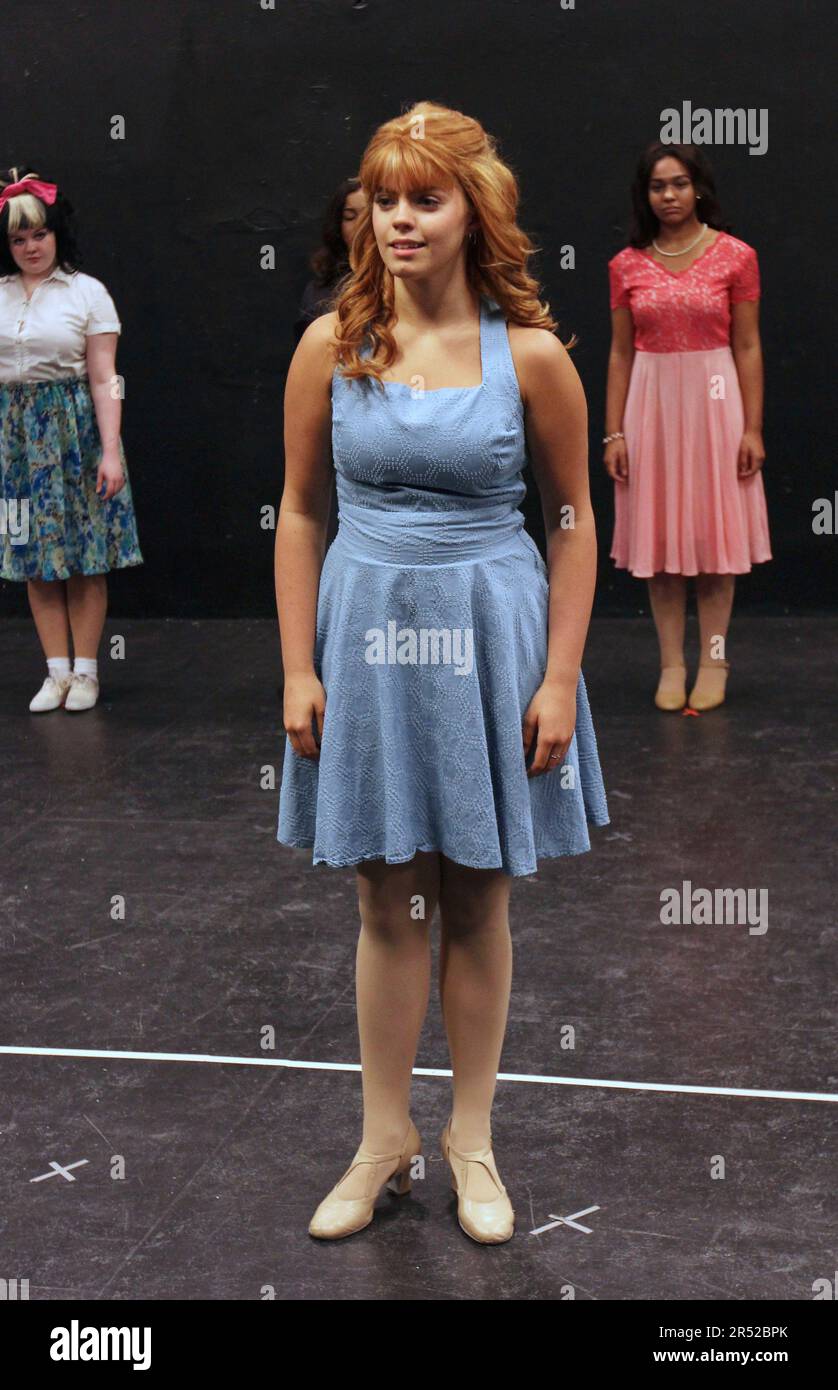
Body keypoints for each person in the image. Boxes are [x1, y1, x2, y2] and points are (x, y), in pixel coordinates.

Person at [275, 102, 609, 1244]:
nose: (400, 220)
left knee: (475, 894)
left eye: (426, 198)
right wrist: (296, 667)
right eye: (384, 199)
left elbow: (572, 521)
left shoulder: (533, 357)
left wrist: (559, 676)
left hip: (490, 638)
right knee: (384, 898)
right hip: (365, 639)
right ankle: (384, 1137)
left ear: (478, 211)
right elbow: (300, 512)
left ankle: (471, 1138)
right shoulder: (330, 345)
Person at [605, 143, 771, 711]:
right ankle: (672, 664)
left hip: (716, 406)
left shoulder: (736, 257)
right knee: (660, 544)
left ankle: (714, 660)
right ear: (645, 194)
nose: (669, 195)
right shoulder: (626, 265)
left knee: (716, 544)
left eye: (678, 183)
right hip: (650, 408)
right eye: (658, 186)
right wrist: (614, 432)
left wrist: (752, 428)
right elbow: (620, 354)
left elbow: (747, 346)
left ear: (698, 187)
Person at [0, 167, 143, 712]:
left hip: (74, 436)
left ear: (57, 233)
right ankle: (55, 672)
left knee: (86, 553)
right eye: (19, 239)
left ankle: (86, 673)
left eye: (40, 234)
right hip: (15, 442)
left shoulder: (88, 294)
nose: (31, 247)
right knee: (30, 554)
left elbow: (107, 378)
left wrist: (111, 449)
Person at [292, 176, 365, 346]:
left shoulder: (408, 282)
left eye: (369, 215)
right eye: (350, 216)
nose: (361, 226)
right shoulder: (320, 295)